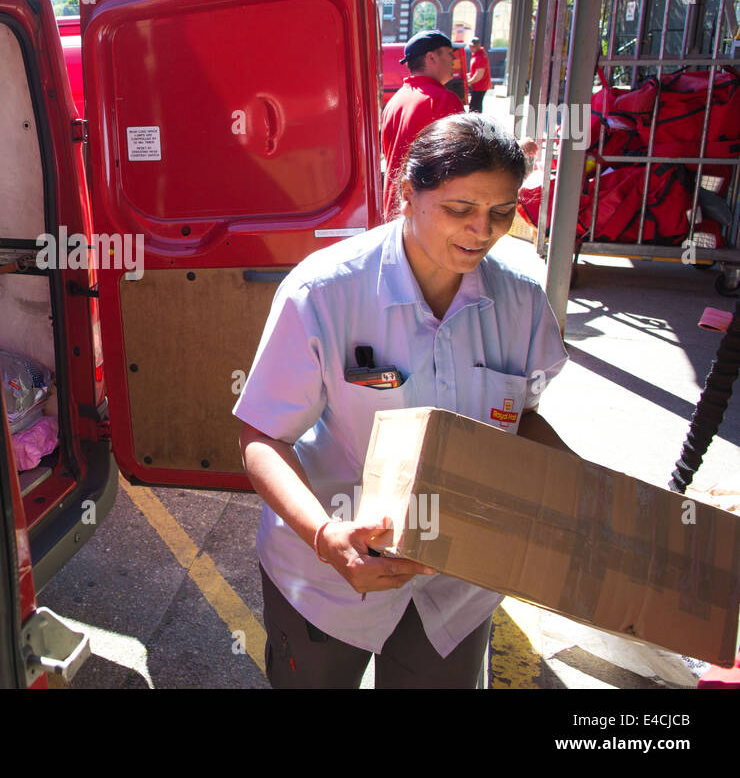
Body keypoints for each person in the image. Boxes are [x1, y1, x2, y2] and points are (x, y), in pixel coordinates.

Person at [234, 113, 570, 689]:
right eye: (460, 210)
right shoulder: (325, 291)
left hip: (458, 582)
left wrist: (581, 491)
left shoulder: (521, 301)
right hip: (327, 577)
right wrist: (325, 537)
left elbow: (524, 415)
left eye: (501, 213)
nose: (481, 232)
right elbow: (263, 434)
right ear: (407, 194)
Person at [380, 30, 464, 219]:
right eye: (450, 54)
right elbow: (460, 164)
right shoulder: (444, 100)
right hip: (429, 216)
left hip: (395, 210)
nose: (453, 60)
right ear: (431, 57)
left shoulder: (394, 102)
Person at [468, 37, 492, 114]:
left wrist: (468, 82)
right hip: (477, 85)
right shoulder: (477, 55)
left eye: (473, 46)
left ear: (478, 46)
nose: (471, 48)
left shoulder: (480, 57)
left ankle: (475, 122)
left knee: (475, 106)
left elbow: (479, 74)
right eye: (470, 46)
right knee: (475, 105)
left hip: (480, 86)